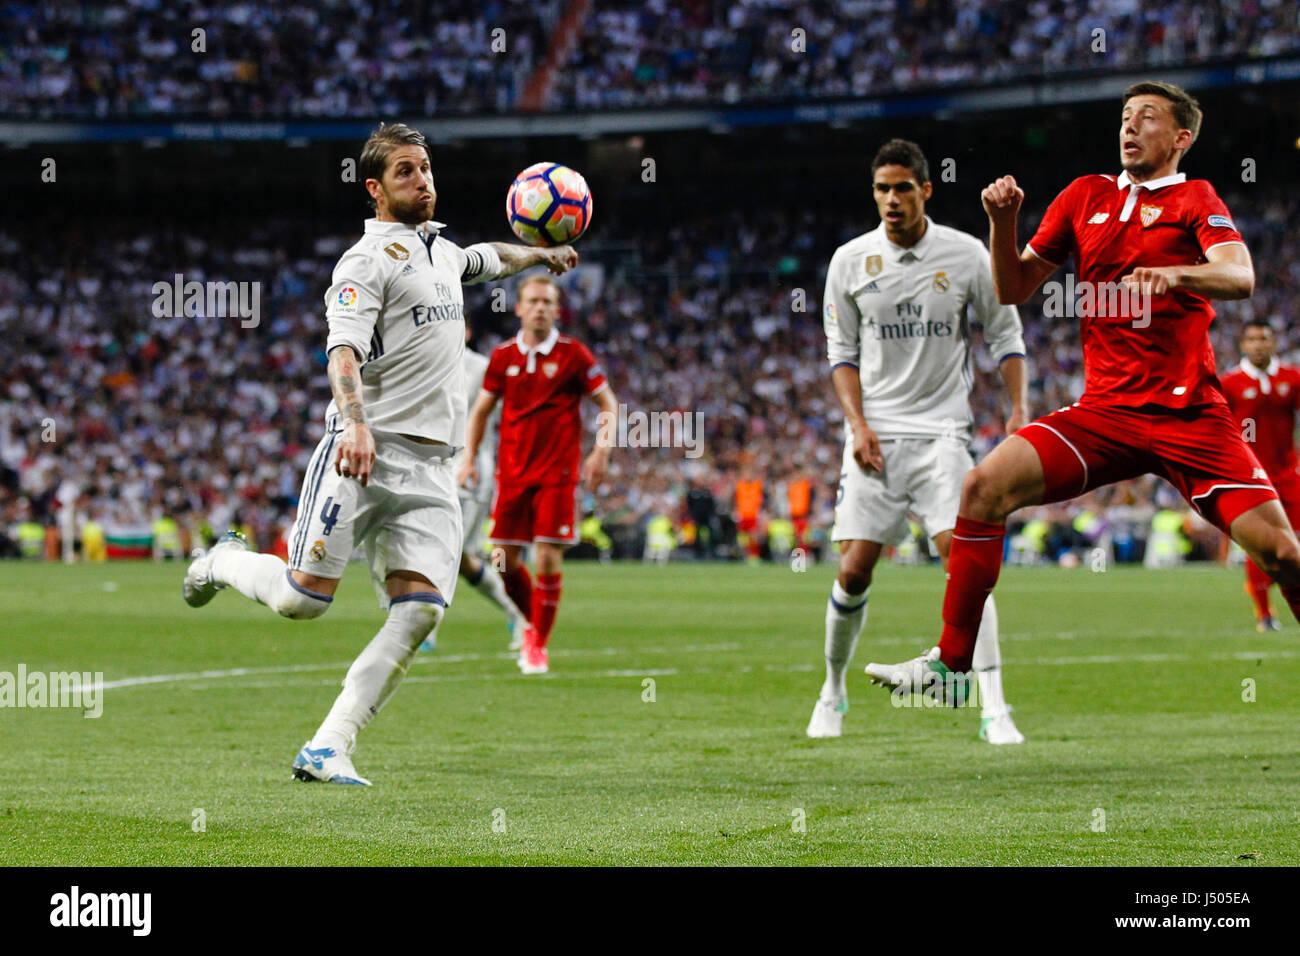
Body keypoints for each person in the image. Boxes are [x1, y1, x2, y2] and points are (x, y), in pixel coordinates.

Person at [863, 82, 1300, 705]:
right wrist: (1002, 222)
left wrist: (1178, 273)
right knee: (982, 488)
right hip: (1106, 413)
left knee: (1283, 553)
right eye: (1125, 116)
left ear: (1182, 138)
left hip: (1191, 416)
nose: (1130, 126)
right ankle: (952, 668)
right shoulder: (1084, 196)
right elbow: (1013, 288)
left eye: (1147, 117)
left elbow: (1241, 274)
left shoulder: (1195, 198)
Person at [182, 122, 576, 784]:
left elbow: (490, 257)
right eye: (405, 171)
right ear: (374, 188)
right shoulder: (364, 263)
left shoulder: (443, 255)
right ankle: (223, 560)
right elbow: (342, 349)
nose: (422, 179)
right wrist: (357, 424)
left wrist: (540, 256)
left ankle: (331, 742)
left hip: (431, 468)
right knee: (302, 602)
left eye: (425, 168)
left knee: (422, 609)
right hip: (361, 451)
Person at [809, 138, 1027, 743]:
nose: (892, 199)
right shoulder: (849, 261)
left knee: (964, 564)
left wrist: (1019, 411)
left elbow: (1005, 336)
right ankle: (833, 690)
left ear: (926, 190)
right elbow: (841, 354)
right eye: (882, 189)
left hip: (941, 436)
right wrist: (857, 425)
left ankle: (995, 707)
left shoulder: (964, 254)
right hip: (875, 438)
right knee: (853, 572)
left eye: (903, 187)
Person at [459, 276, 618, 674]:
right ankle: (533, 621)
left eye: (547, 301)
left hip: (558, 473)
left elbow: (608, 403)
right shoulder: (502, 357)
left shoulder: (573, 355)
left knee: (547, 554)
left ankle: (537, 644)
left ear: (557, 309)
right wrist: (468, 459)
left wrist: (601, 451)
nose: (540, 308)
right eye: (533, 301)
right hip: (512, 474)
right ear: (519, 308)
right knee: (501, 559)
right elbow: (480, 412)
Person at [421, 327, 530, 653]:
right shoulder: (425, 363)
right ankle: (521, 613)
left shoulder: (482, 367)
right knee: (463, 560)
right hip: (432, 469)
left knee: (445, 552)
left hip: (467, 471)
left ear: (466, 331)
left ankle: (423, 630)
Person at [1219, 319, 1300, 631]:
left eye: (1263, 338)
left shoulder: (1291, 378)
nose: (1258, 344)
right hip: (1250, 479)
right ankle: (1264, 614)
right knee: (1261, 546)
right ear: (1243, 345)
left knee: (1292, 543)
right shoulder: (1229, 384)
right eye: (1252, 339)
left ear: (1273, 343)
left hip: (1288, 475)